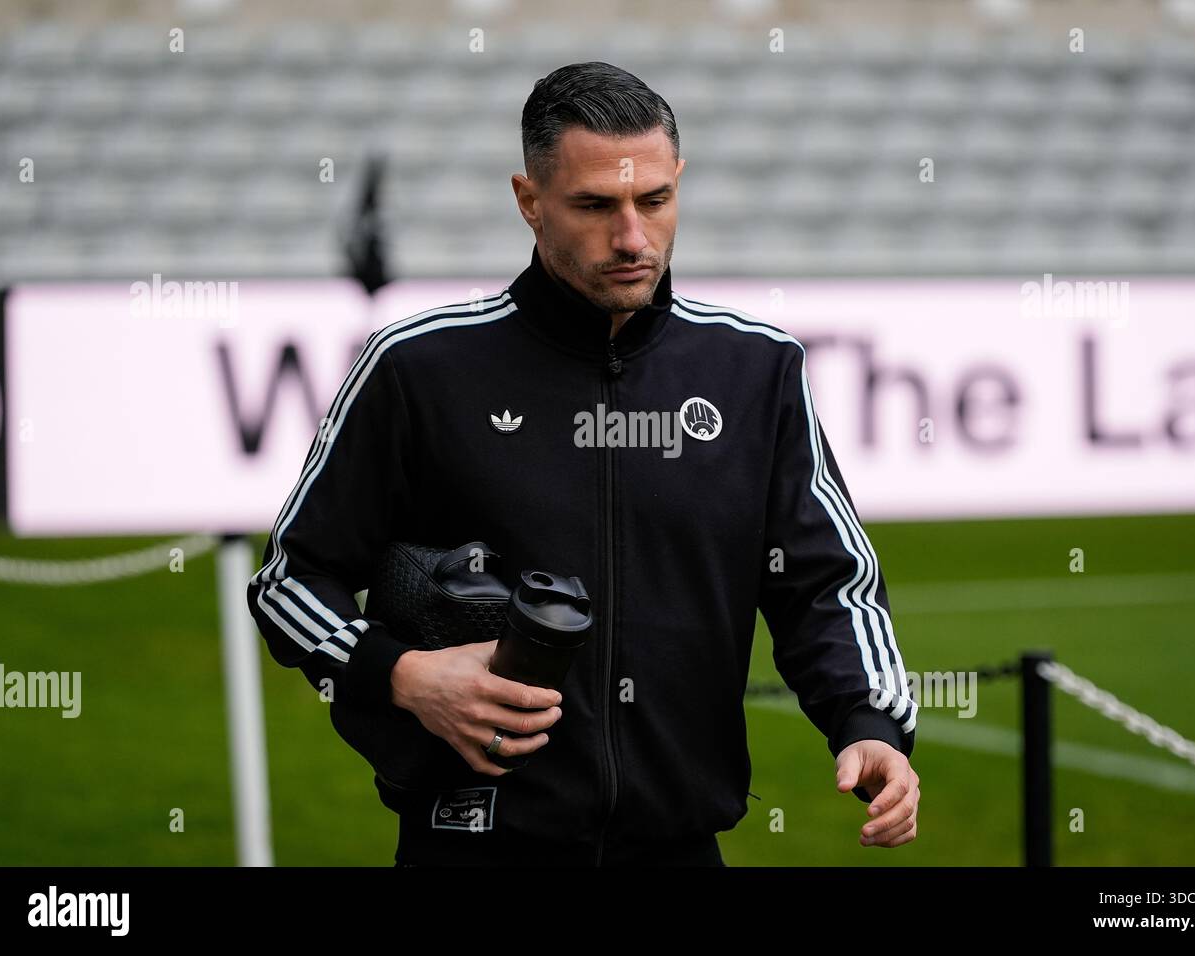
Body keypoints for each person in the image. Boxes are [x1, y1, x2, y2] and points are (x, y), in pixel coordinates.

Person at [246, 61, 920, 867]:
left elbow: (826, 584)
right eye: (596, 206)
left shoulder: (754, 371)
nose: (632, 237)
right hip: (472, 846)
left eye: (655, 201)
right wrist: (401, 675)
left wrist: (871, 723)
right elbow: (289, 581)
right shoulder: (419, 367)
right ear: (529, 202)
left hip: (678, 849)